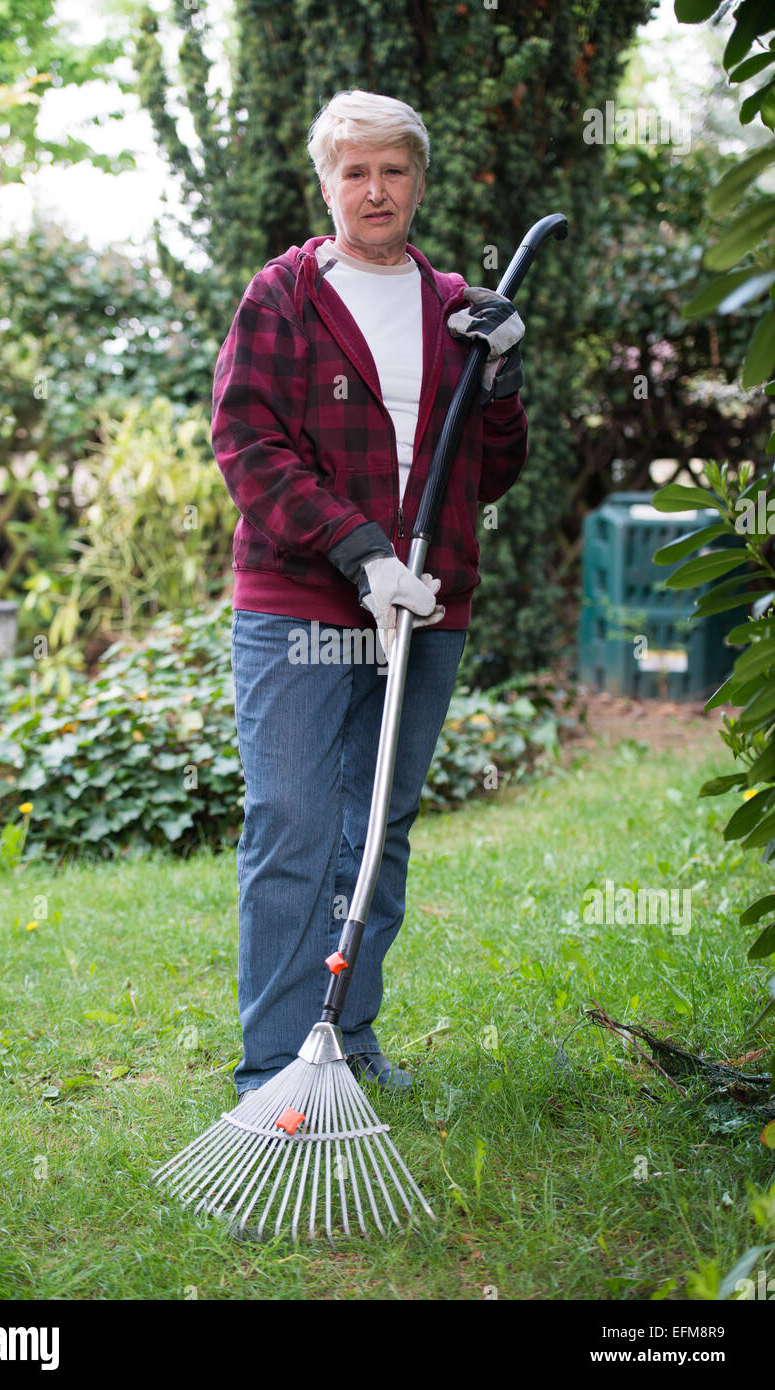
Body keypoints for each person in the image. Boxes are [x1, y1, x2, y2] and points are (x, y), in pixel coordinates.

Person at [211, 89, 528, 1097]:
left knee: (376, 826)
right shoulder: (284, 295)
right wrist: (360, 552)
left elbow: (490, 469)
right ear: (327, 184)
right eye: (356, 171)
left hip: (426, 606)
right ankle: (274, 1065)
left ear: (419, 181)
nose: (375, 189)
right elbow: (249, 445)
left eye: (394, 169)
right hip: (301, 601)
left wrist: (503, 376)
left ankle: (346, 1038)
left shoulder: (456, 308)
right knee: (293, 823)